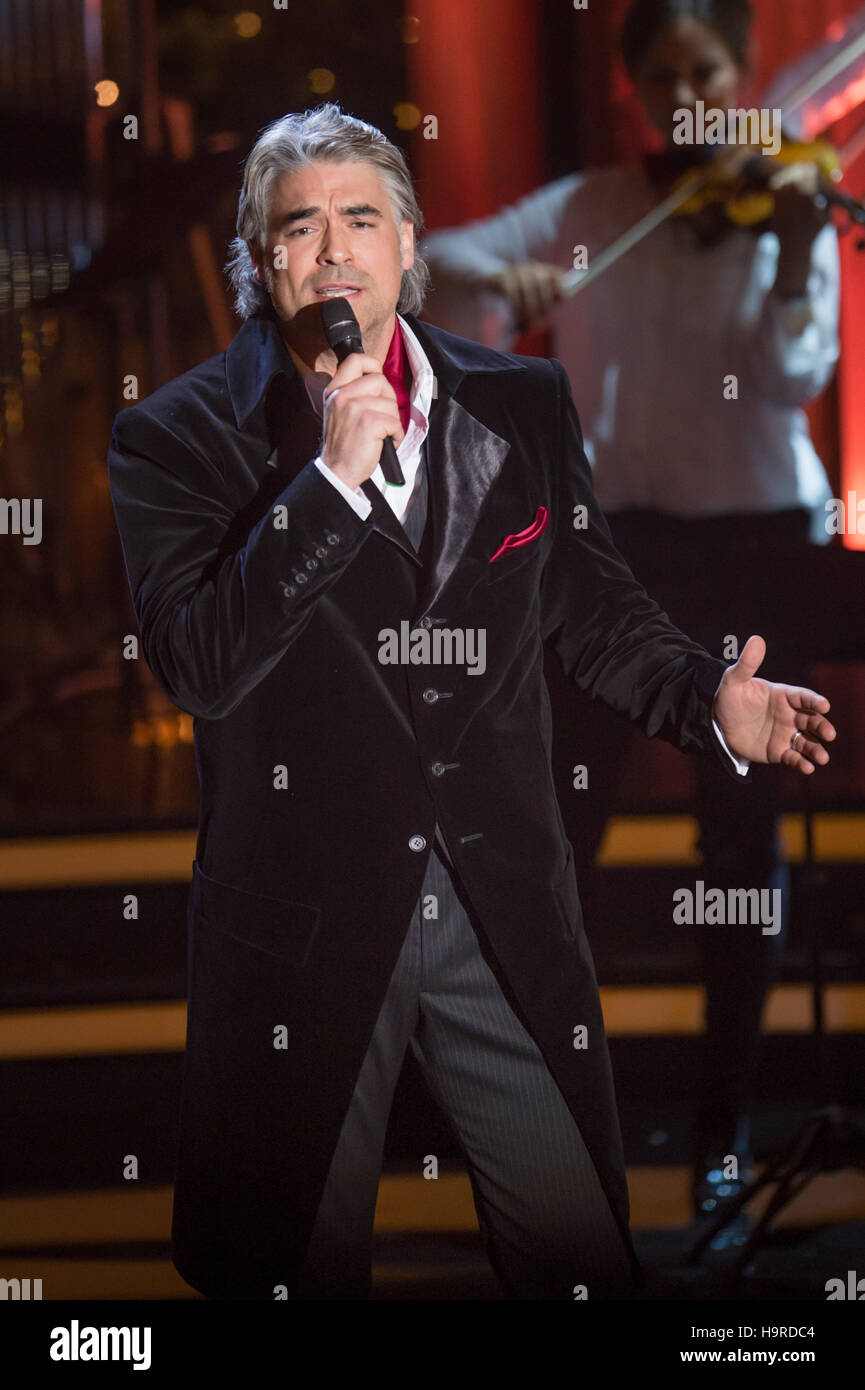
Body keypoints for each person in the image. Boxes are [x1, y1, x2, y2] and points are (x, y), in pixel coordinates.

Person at [106, 102, 835, 1300]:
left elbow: (594, 612)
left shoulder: (522, 403)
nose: (333, 248)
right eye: (299, 226)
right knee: (289, 1267)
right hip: (304, 920)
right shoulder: (176, 438)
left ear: (409, 244)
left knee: (578, 1260)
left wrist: (709, 698)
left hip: (498, 901)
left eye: (360, 218)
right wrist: (330, 489)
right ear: (261, 262)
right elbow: (198, 662)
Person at [421, 0, 840, 1238]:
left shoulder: (777, 202)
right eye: (658, 77)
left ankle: (722, 1141)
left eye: (702, 71)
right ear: (629, 93)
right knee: (555, 831)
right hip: (618, 559)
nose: (681, 94)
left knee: (738, 852)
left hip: (758, 547)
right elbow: (439, 255)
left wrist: (794, 252)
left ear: (736, 75)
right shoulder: (595, 206)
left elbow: (784, 380)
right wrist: (505, 280)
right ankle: (548, 1120)